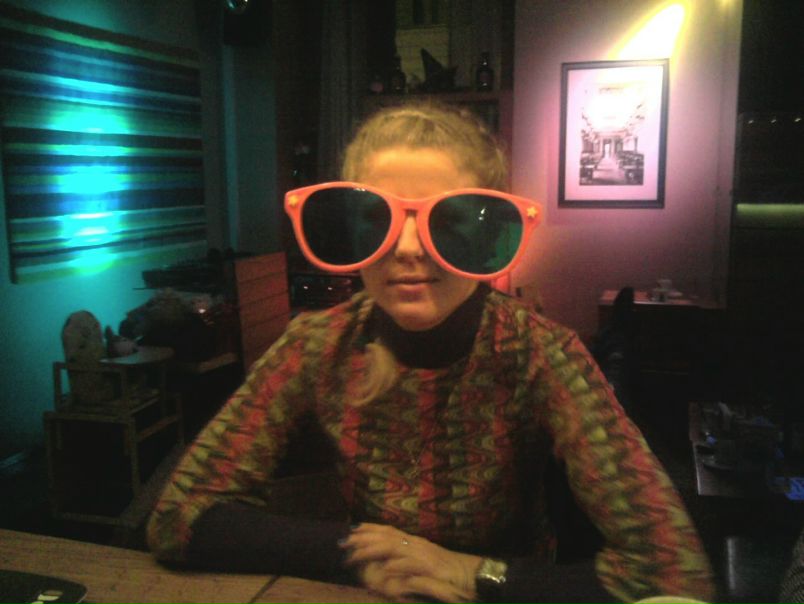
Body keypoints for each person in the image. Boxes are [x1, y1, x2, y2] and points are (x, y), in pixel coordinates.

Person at [147, 101, 714, 603]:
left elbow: (672, 571)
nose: (408, 247)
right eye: (377, 219)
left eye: (447, 221)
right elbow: (180, 516)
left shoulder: (540, 352)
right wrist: (362, 552)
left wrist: (474, 574)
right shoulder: (317, 343)